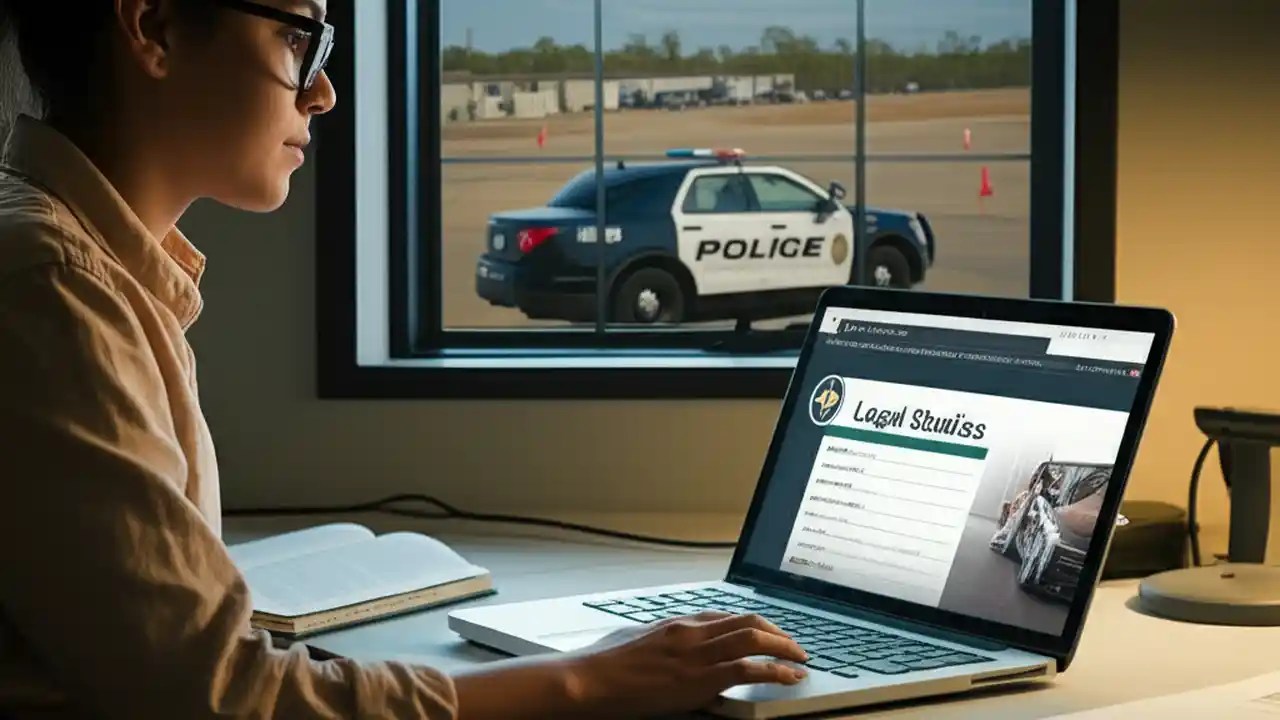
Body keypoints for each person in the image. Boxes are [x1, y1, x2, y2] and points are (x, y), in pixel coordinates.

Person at [0, 1, 809, 718]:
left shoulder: (83, 266)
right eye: (294, 38)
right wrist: (591, 681)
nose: (323, 92)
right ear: (156, 27)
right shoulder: (55, 289)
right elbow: (220, 699)